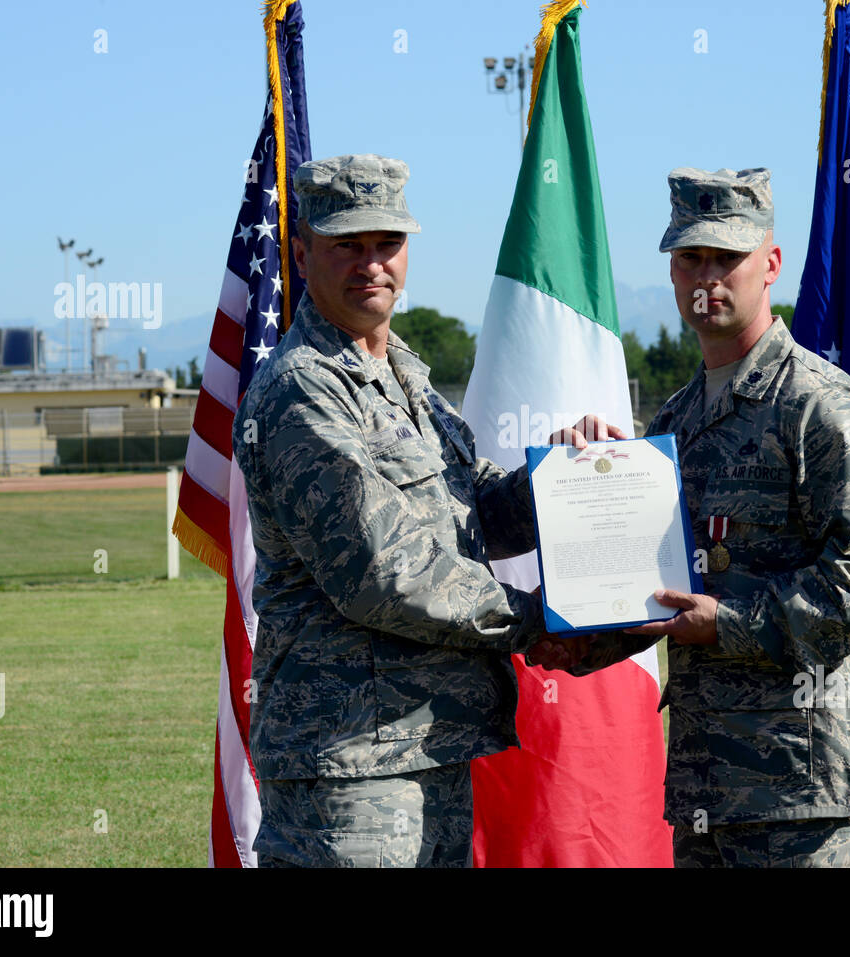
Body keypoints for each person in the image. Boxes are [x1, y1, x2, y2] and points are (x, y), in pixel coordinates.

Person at [531, 166, 850, 867]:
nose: (705, 275)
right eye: (689, 256)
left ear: (770, 264)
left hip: (810, 800)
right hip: (706, 798)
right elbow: (657, 591)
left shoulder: (820, 405)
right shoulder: (674, 423)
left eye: (727, 257)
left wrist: (735, 622)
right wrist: (575, 629)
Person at [233, 153, 622, 867]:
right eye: (347, 244)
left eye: (388, 243)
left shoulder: (402, 374)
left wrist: (565, 482)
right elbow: (384, 570)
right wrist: (540, 620)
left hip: (426, 745)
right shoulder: (302, 391)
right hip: (348, 769)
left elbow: (468, 511)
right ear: (301, 252)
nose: (371, 263)